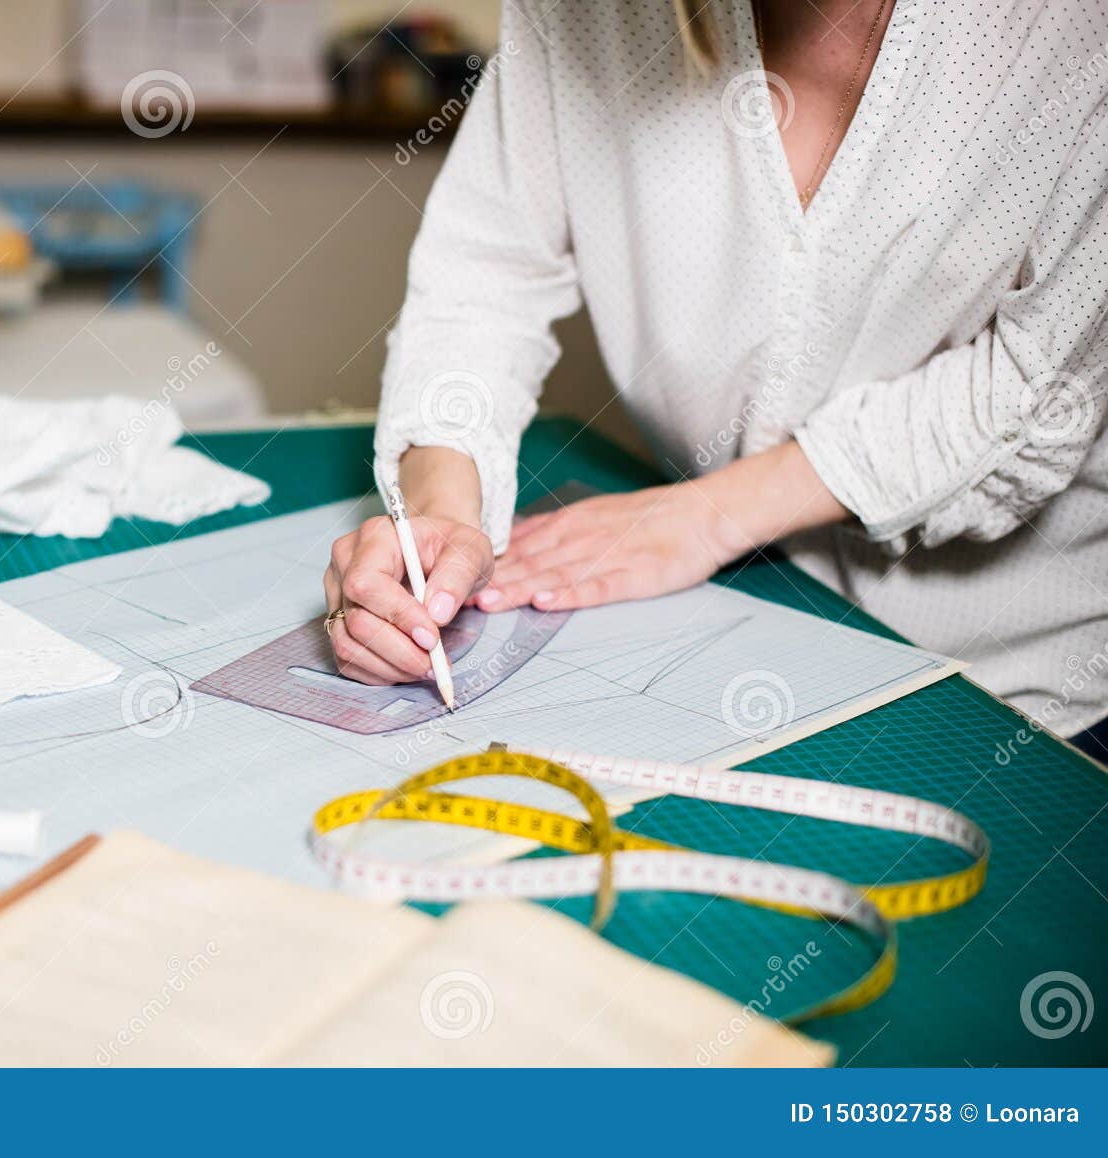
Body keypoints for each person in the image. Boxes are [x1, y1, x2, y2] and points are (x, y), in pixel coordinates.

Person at [323, 0, 1108, 754]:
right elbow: (489, 271)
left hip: (1017, 690)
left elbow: (1039, 391)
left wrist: (707, 517)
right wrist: (441, 504)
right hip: (727, 627)